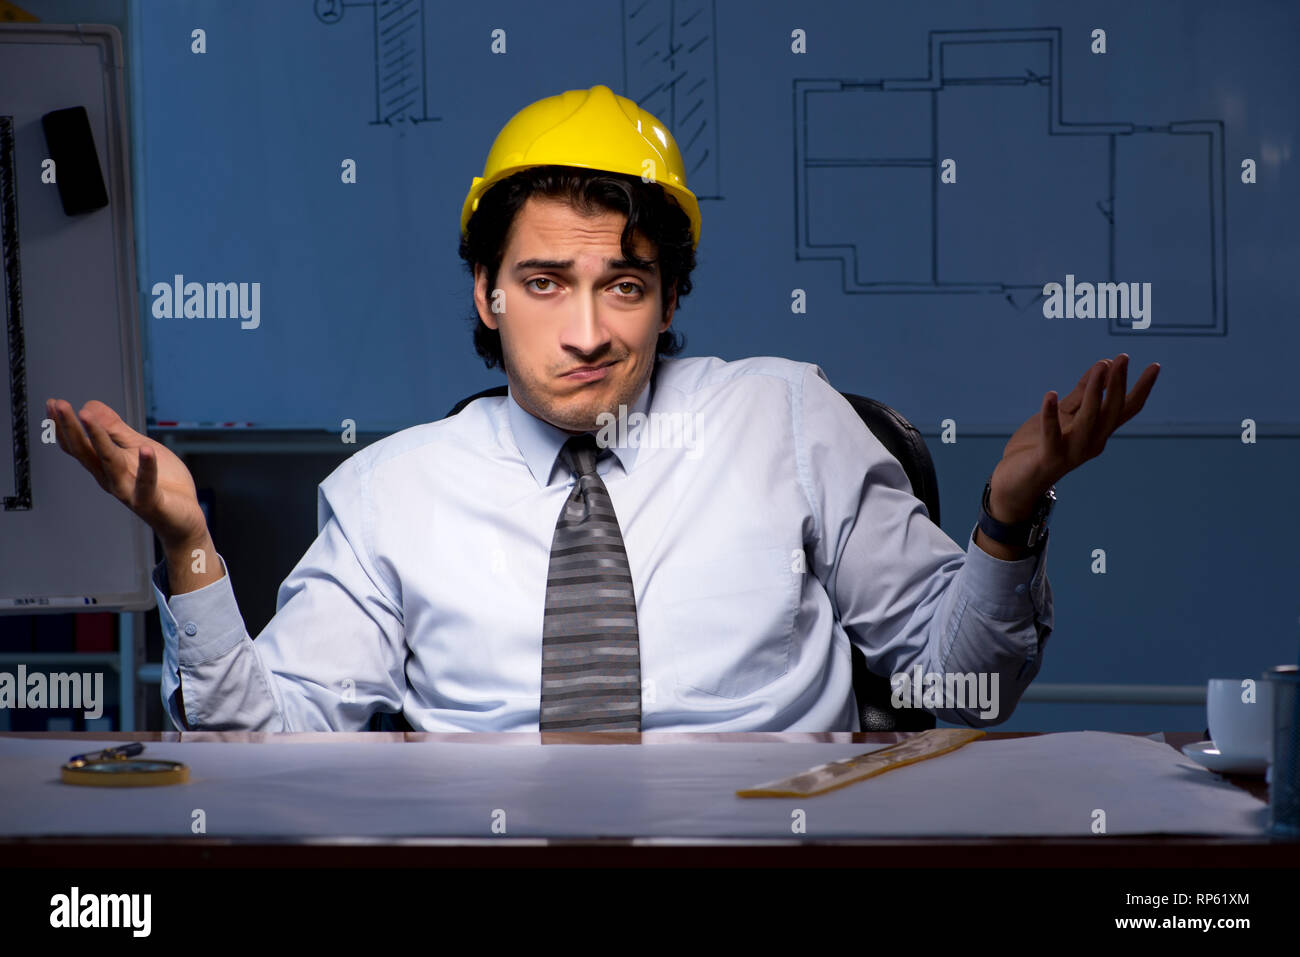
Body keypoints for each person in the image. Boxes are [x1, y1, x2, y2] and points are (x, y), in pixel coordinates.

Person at [47, 84, 1160, 732]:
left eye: (623, 284)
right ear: (485, 293)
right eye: (543, 283)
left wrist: (1008, 519)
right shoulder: (393, 493)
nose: (588, 331)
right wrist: (190, 549)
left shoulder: (787, 419)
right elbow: (267, 753)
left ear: (669, 296)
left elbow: (959, 693)